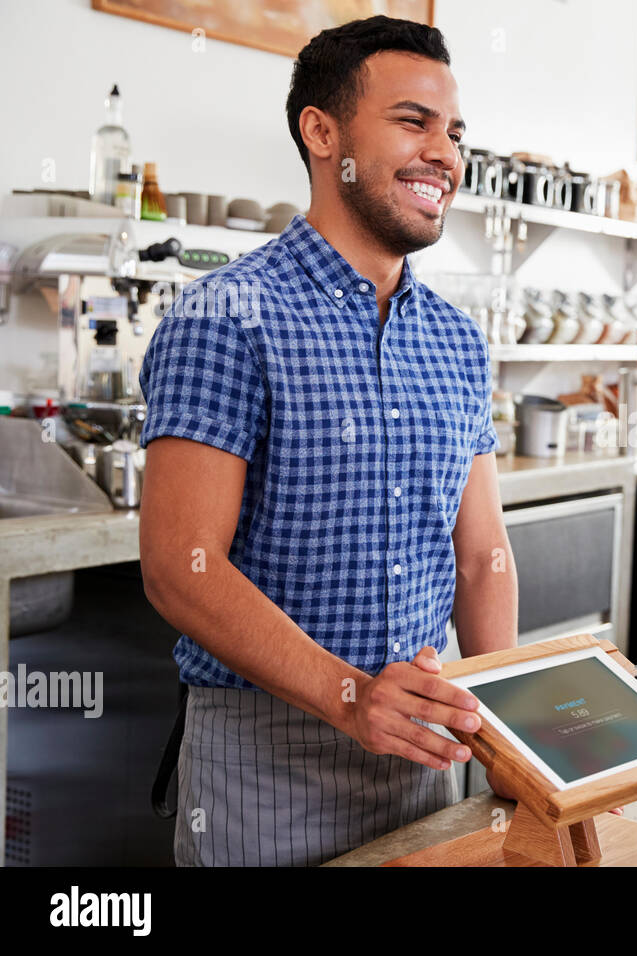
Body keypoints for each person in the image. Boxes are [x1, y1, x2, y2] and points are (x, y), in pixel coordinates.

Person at [138, 17, 518, 866]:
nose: (446, 154)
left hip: (428, 748)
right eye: (413, 122)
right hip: (267, 758)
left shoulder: (456, 340)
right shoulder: (223, 317)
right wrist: (350, 698)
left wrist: (510, 737)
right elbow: (178, 564)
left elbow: (483, 556)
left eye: (454, 132)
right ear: (322, 132)